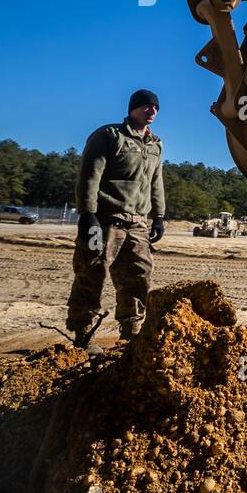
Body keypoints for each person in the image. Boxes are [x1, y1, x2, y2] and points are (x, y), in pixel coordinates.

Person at [65, 89, 166, 345]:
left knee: (139, 276)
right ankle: (83, 333)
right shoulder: (109, 135)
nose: (152, 110)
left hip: (138, 223)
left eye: (155, 107)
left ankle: (130, 332)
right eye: (146, 105)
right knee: (91, 274)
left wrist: (159, 216)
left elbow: (156, 182)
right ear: (133, 108)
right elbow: (89, 176)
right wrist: (88, 214)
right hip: (105, 219)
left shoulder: (155, 144)